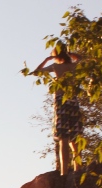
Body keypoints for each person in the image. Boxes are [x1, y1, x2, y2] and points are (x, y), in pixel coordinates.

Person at [31, 44, 84, 176]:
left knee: (63, 136)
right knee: (75, 137)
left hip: (62, 100)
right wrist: (70, 54)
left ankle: (64, 172)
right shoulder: (73, 66)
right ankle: (78, 168)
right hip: (73, 100)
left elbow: (36, 72)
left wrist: (47, 59)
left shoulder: (56, 67)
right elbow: (82, 58)